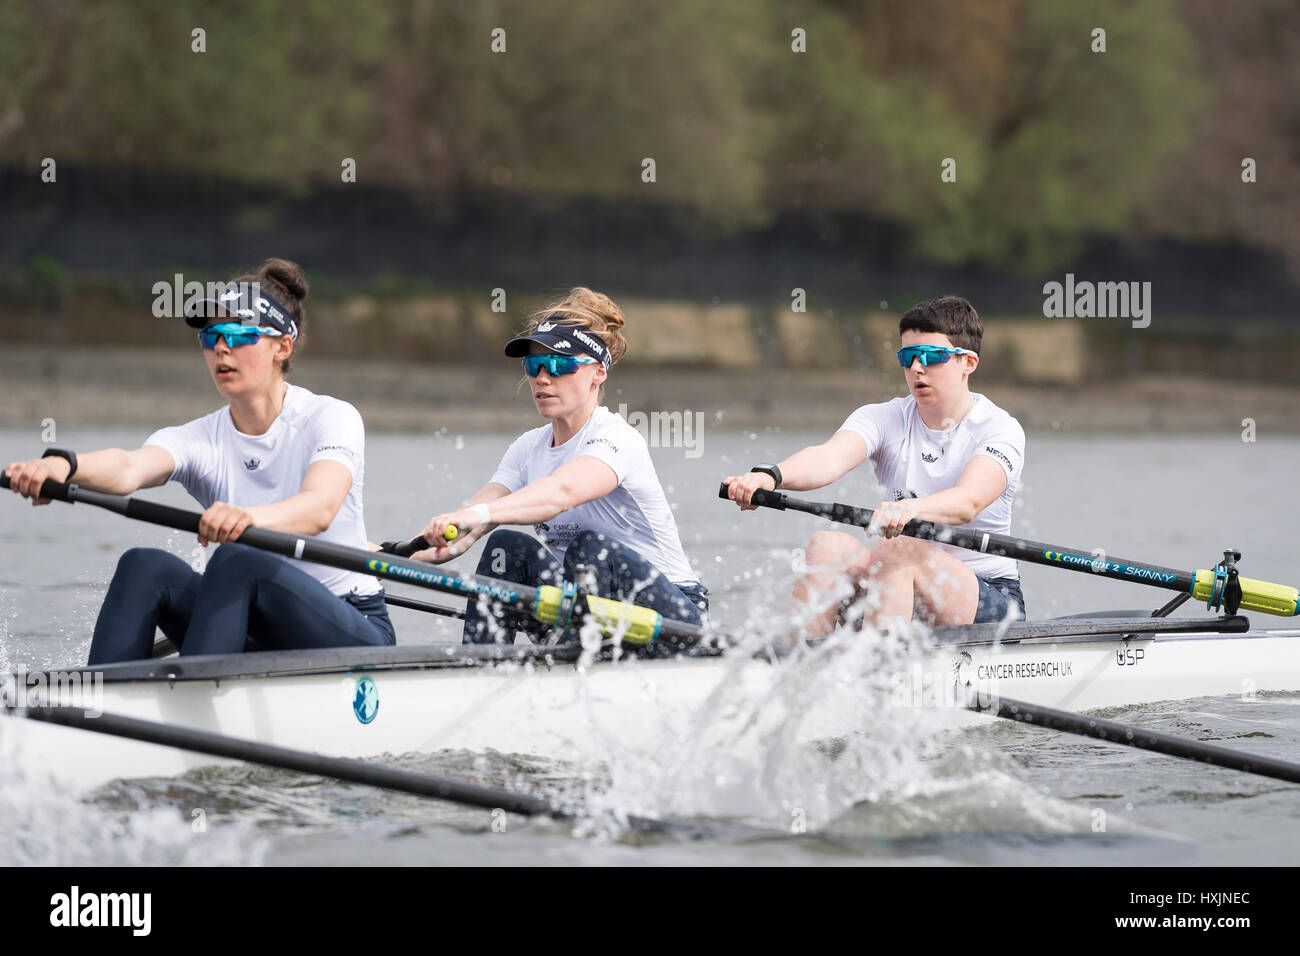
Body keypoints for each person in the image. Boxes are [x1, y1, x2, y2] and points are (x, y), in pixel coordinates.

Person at [4, 258, 395, 663]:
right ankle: (97, 705)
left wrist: (248, 520)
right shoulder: (201, 438)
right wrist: (61, 466)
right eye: (211, 336)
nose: (222, 347)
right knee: (144, 566)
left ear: (283, 346)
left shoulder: (331, 417)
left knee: (238, 558)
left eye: (239, 334)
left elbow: (320, 507)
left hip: (351, 625)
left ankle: (198, 697)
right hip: (252, 623)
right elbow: (129, 468)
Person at [410, 287, 707, 644]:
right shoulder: (526, 449)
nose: (543, 378)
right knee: (506, 546)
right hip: (585, 606)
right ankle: (480, 668)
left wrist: (480, 515)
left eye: (559, 364)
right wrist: (405, 551)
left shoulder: (618, 438)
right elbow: (474, 515)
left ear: (598, 372)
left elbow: (562, 491)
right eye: (534, 365)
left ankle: (572, 659)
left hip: (674, 616)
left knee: (589, 549)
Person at [723, 295, 1025, 637]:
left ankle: (877, 677)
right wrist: (771, 475)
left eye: (931, 357)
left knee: (897, 548)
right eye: (907, 357)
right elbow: (829, 457)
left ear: (968, 362)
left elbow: (968, 502)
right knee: (827, 546)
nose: (917, 369)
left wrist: (911, 508)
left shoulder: (999, 428)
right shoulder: (884, 418)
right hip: (897, 581)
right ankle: (800, 669)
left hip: (988, 598)